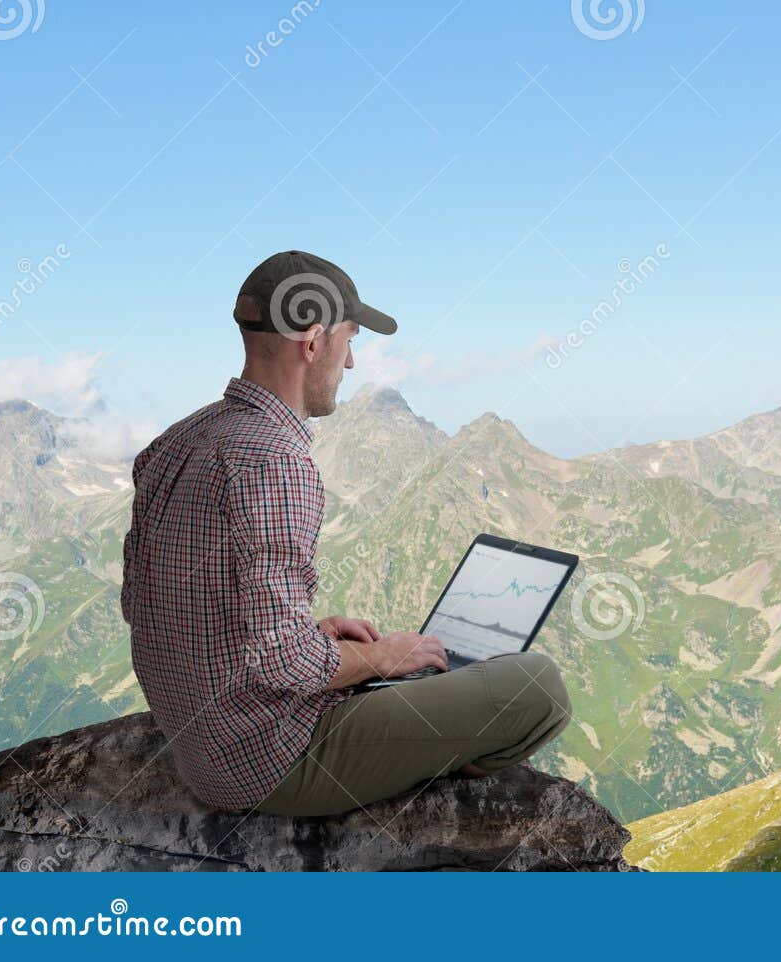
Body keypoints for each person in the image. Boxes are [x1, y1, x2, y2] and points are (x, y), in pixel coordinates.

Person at [120, 250, 570, 817]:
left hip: (201, 746)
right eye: (349, 340)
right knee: (538, 687)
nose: (351, 362)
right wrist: (381, 657)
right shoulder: (276, 462)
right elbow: (284, 663)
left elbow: (147, 606)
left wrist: (315, 636)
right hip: (269, 762)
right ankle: (442, 764)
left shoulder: (177, 440)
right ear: (313, 343)